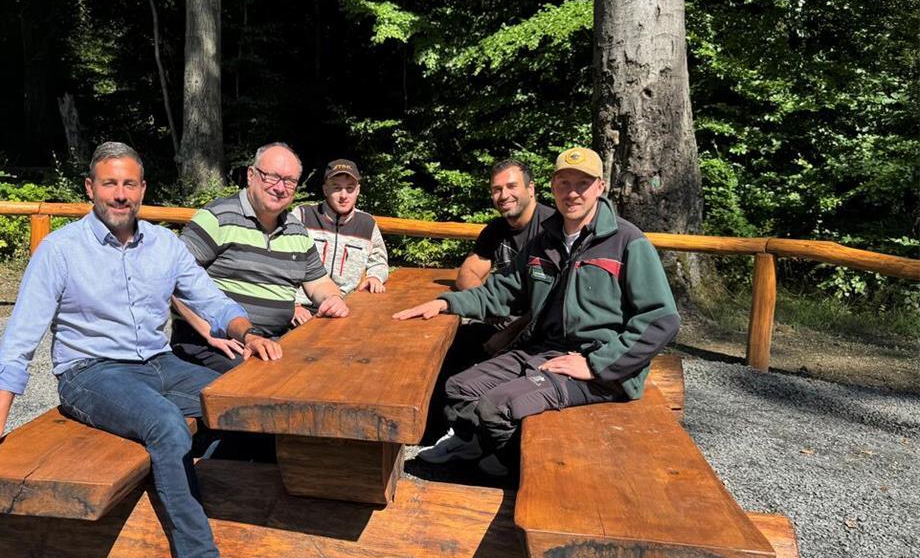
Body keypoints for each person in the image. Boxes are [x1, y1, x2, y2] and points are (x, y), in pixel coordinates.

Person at [0, 142, 277, 558]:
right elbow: (19, 339)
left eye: (130, 184)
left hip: (161, 363)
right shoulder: (61, 250)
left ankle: (204, 490)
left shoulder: (164, 246)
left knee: (246, 397)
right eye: (110, 183)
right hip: (91, 374)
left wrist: (247, 333)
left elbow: (212, 300)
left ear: (143, 190)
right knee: (168, 426)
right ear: (90, 188)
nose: (120, 194)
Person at [394, 147, 680, 477]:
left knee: (497, 407)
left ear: (600, 187)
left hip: (598, 368)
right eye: (563, 183)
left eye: (582, 183)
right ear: (552, 187)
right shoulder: (546, 239)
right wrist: (447, 303)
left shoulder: (627, 241)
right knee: (457, 389)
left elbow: (662, 318)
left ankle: (515, 471)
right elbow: (500, 289)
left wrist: (595, 365)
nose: (572, 193)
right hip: (542, 351)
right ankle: (479, 446)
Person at [172, 142, 350, 372]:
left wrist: (332, 299)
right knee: (276, 380)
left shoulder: (296, 230)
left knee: (338, 365)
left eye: (289, 181)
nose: (280, 187)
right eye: (272, 177)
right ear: (251, 175)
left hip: (275, 340)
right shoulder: (218, 217)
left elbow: (318, 282)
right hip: (217, 343)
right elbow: (172, 276)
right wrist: (208, 332)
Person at [288, 159, 389, 327]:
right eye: (337, 188)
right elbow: (279, 265)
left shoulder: (367, 223)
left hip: (346, 309)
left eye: (350, 188)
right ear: (325, 189)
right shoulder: (302, 216)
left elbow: (379, 261)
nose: (344, 195)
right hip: (300, 310)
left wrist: (375, 277)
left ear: (358, 191)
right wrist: (290, 306)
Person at [456, 158, 555, 290]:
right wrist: (486, 301)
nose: (504, 195)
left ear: (530, 189)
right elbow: (466, 275)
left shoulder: (554, 226)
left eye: (511, 186)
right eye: (497, 189)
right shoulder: (495, 229)